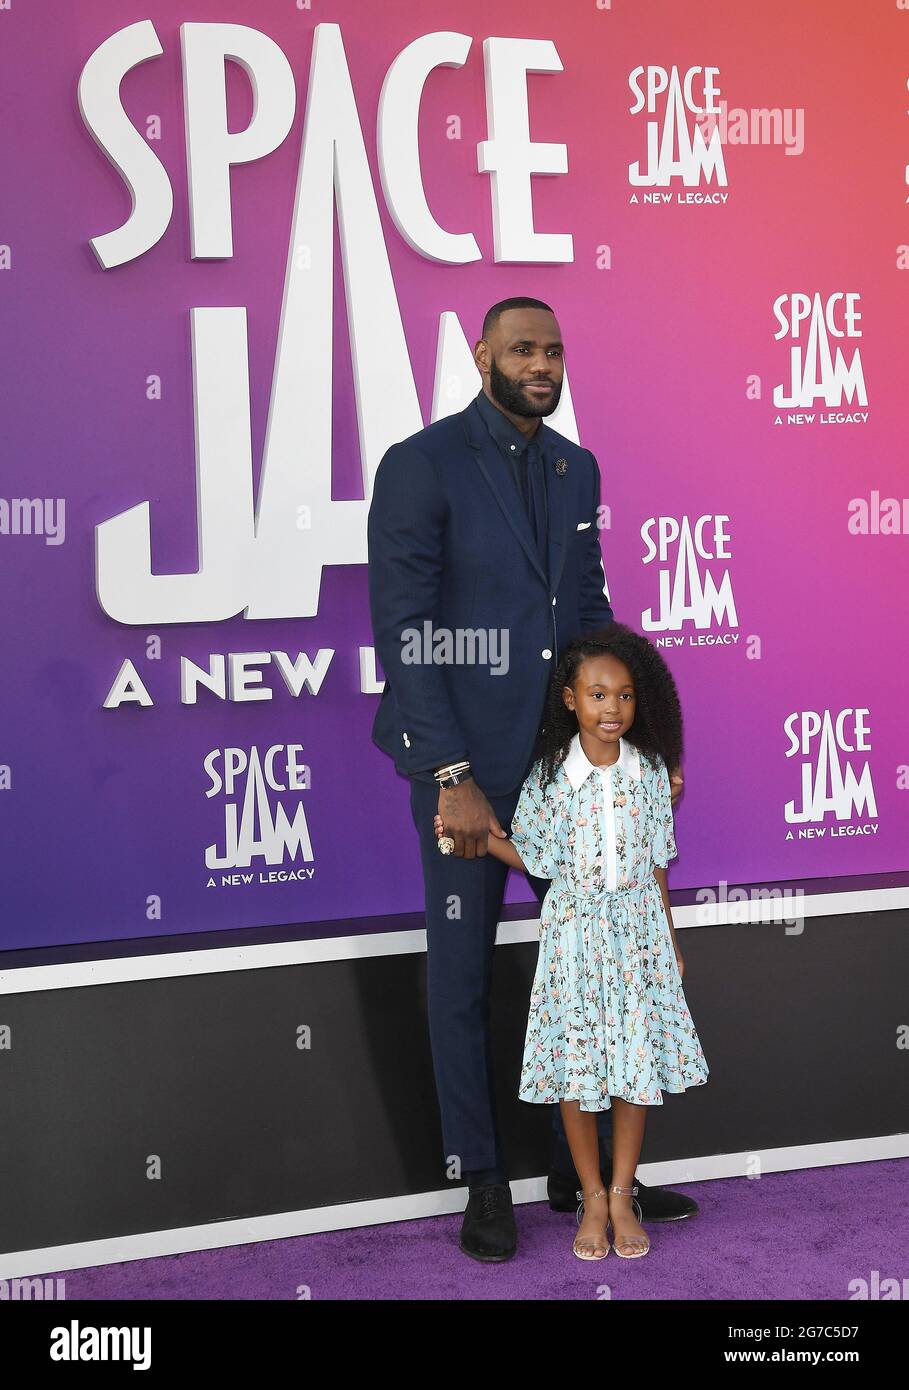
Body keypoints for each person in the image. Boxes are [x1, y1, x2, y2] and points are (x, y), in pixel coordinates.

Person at [367, 297, 694, 1263]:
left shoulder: (573, 464)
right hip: (465, 768)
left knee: (592, 972)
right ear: (481, 357)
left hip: (568, 772)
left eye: (553, 349)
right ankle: (480, 1178)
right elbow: (407, 627)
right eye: (522, 349)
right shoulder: (419, 464)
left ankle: (579, 1173)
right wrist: (451, 773)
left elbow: (588, 611)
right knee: (463, 978)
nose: (541, 363)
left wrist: (637, 742)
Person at [435, 624, 709, 1260]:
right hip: (574, 943)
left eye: (625, 696)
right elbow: (531, 855)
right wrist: (460, 834)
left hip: (638, 938)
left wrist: (667, 937)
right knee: (578, 1070)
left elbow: (659, 861)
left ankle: (621, 1193)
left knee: (635, 1073)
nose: (612, 709)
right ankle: (589, 1196)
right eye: (597, 695)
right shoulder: (552, 778)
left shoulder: (649, 774)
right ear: (569, 701)